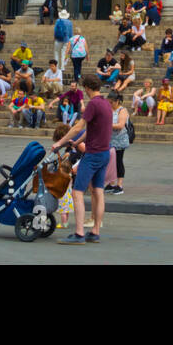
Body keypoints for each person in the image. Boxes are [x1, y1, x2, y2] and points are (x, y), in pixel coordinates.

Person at [52, 74, 111, 243]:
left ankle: (78, 233)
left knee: (77, 192)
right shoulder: (105, 103)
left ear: (87, 88)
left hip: (92, 155)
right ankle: (95, 231)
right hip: (104, 153)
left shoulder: (92, 104)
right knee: (98, 192)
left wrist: (60, 143)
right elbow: (90, 130)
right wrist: (76, 142)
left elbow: (79, 126)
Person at [106, 90, 131, 196]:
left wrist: (106, 124)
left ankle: (119, 185)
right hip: (110, 140)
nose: (110, 104)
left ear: (117, 101)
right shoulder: (109, 109)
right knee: (110, 162)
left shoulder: (122, 110)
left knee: (118, 161)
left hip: (119, 140)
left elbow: (120, 125)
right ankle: (111, 183)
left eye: (111, 102)